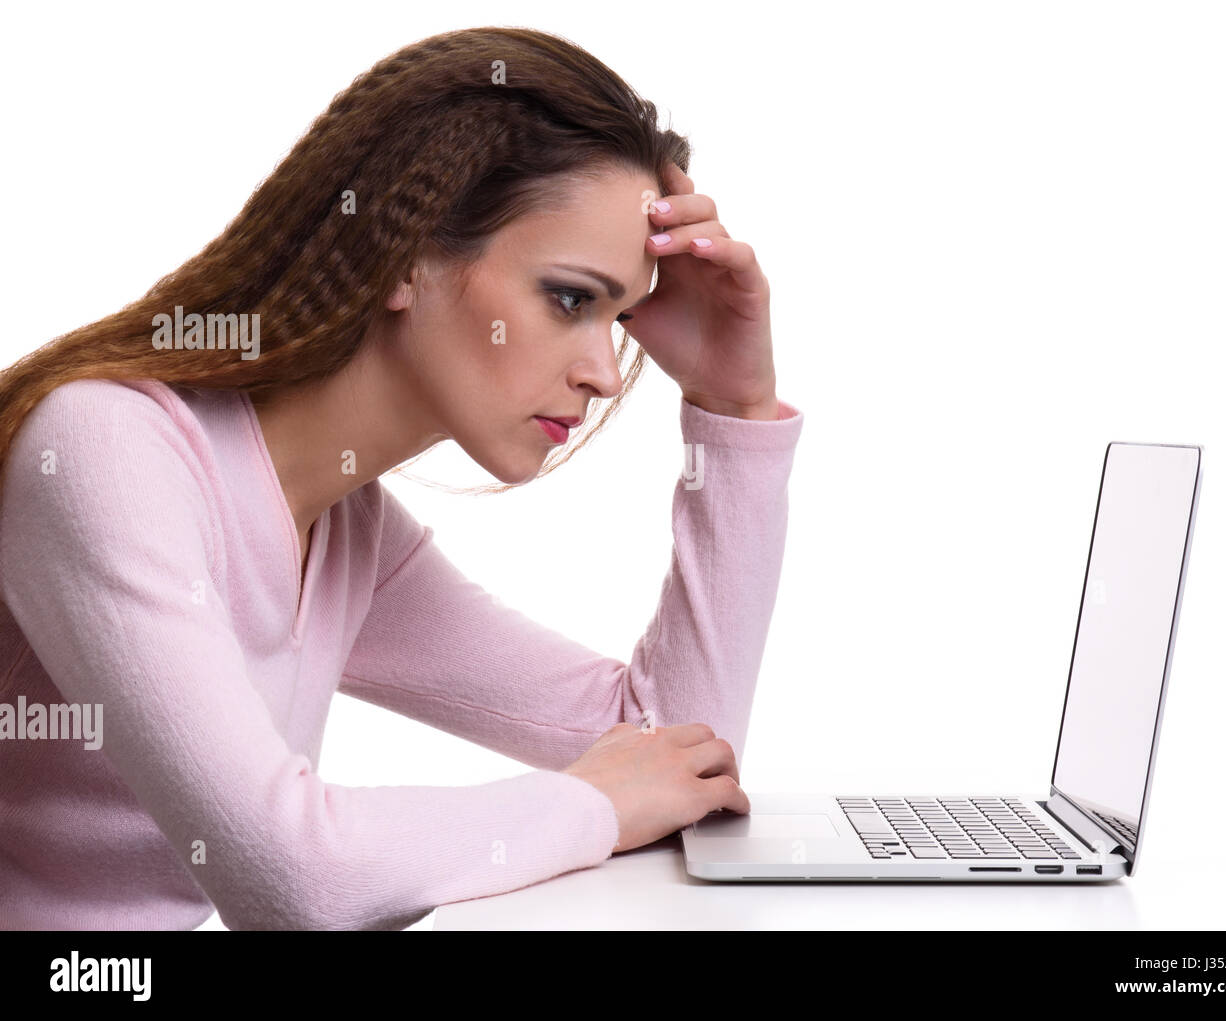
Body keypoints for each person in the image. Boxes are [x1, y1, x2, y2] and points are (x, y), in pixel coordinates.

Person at [0, 26, 803, 930]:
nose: (606, 374)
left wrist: (732, 404)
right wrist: (591, 805)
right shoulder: (106, 448)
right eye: (570, 298)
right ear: (402, 255)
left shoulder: (346, 528)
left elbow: (678, 750)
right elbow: (291, 875)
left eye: (617, 319)